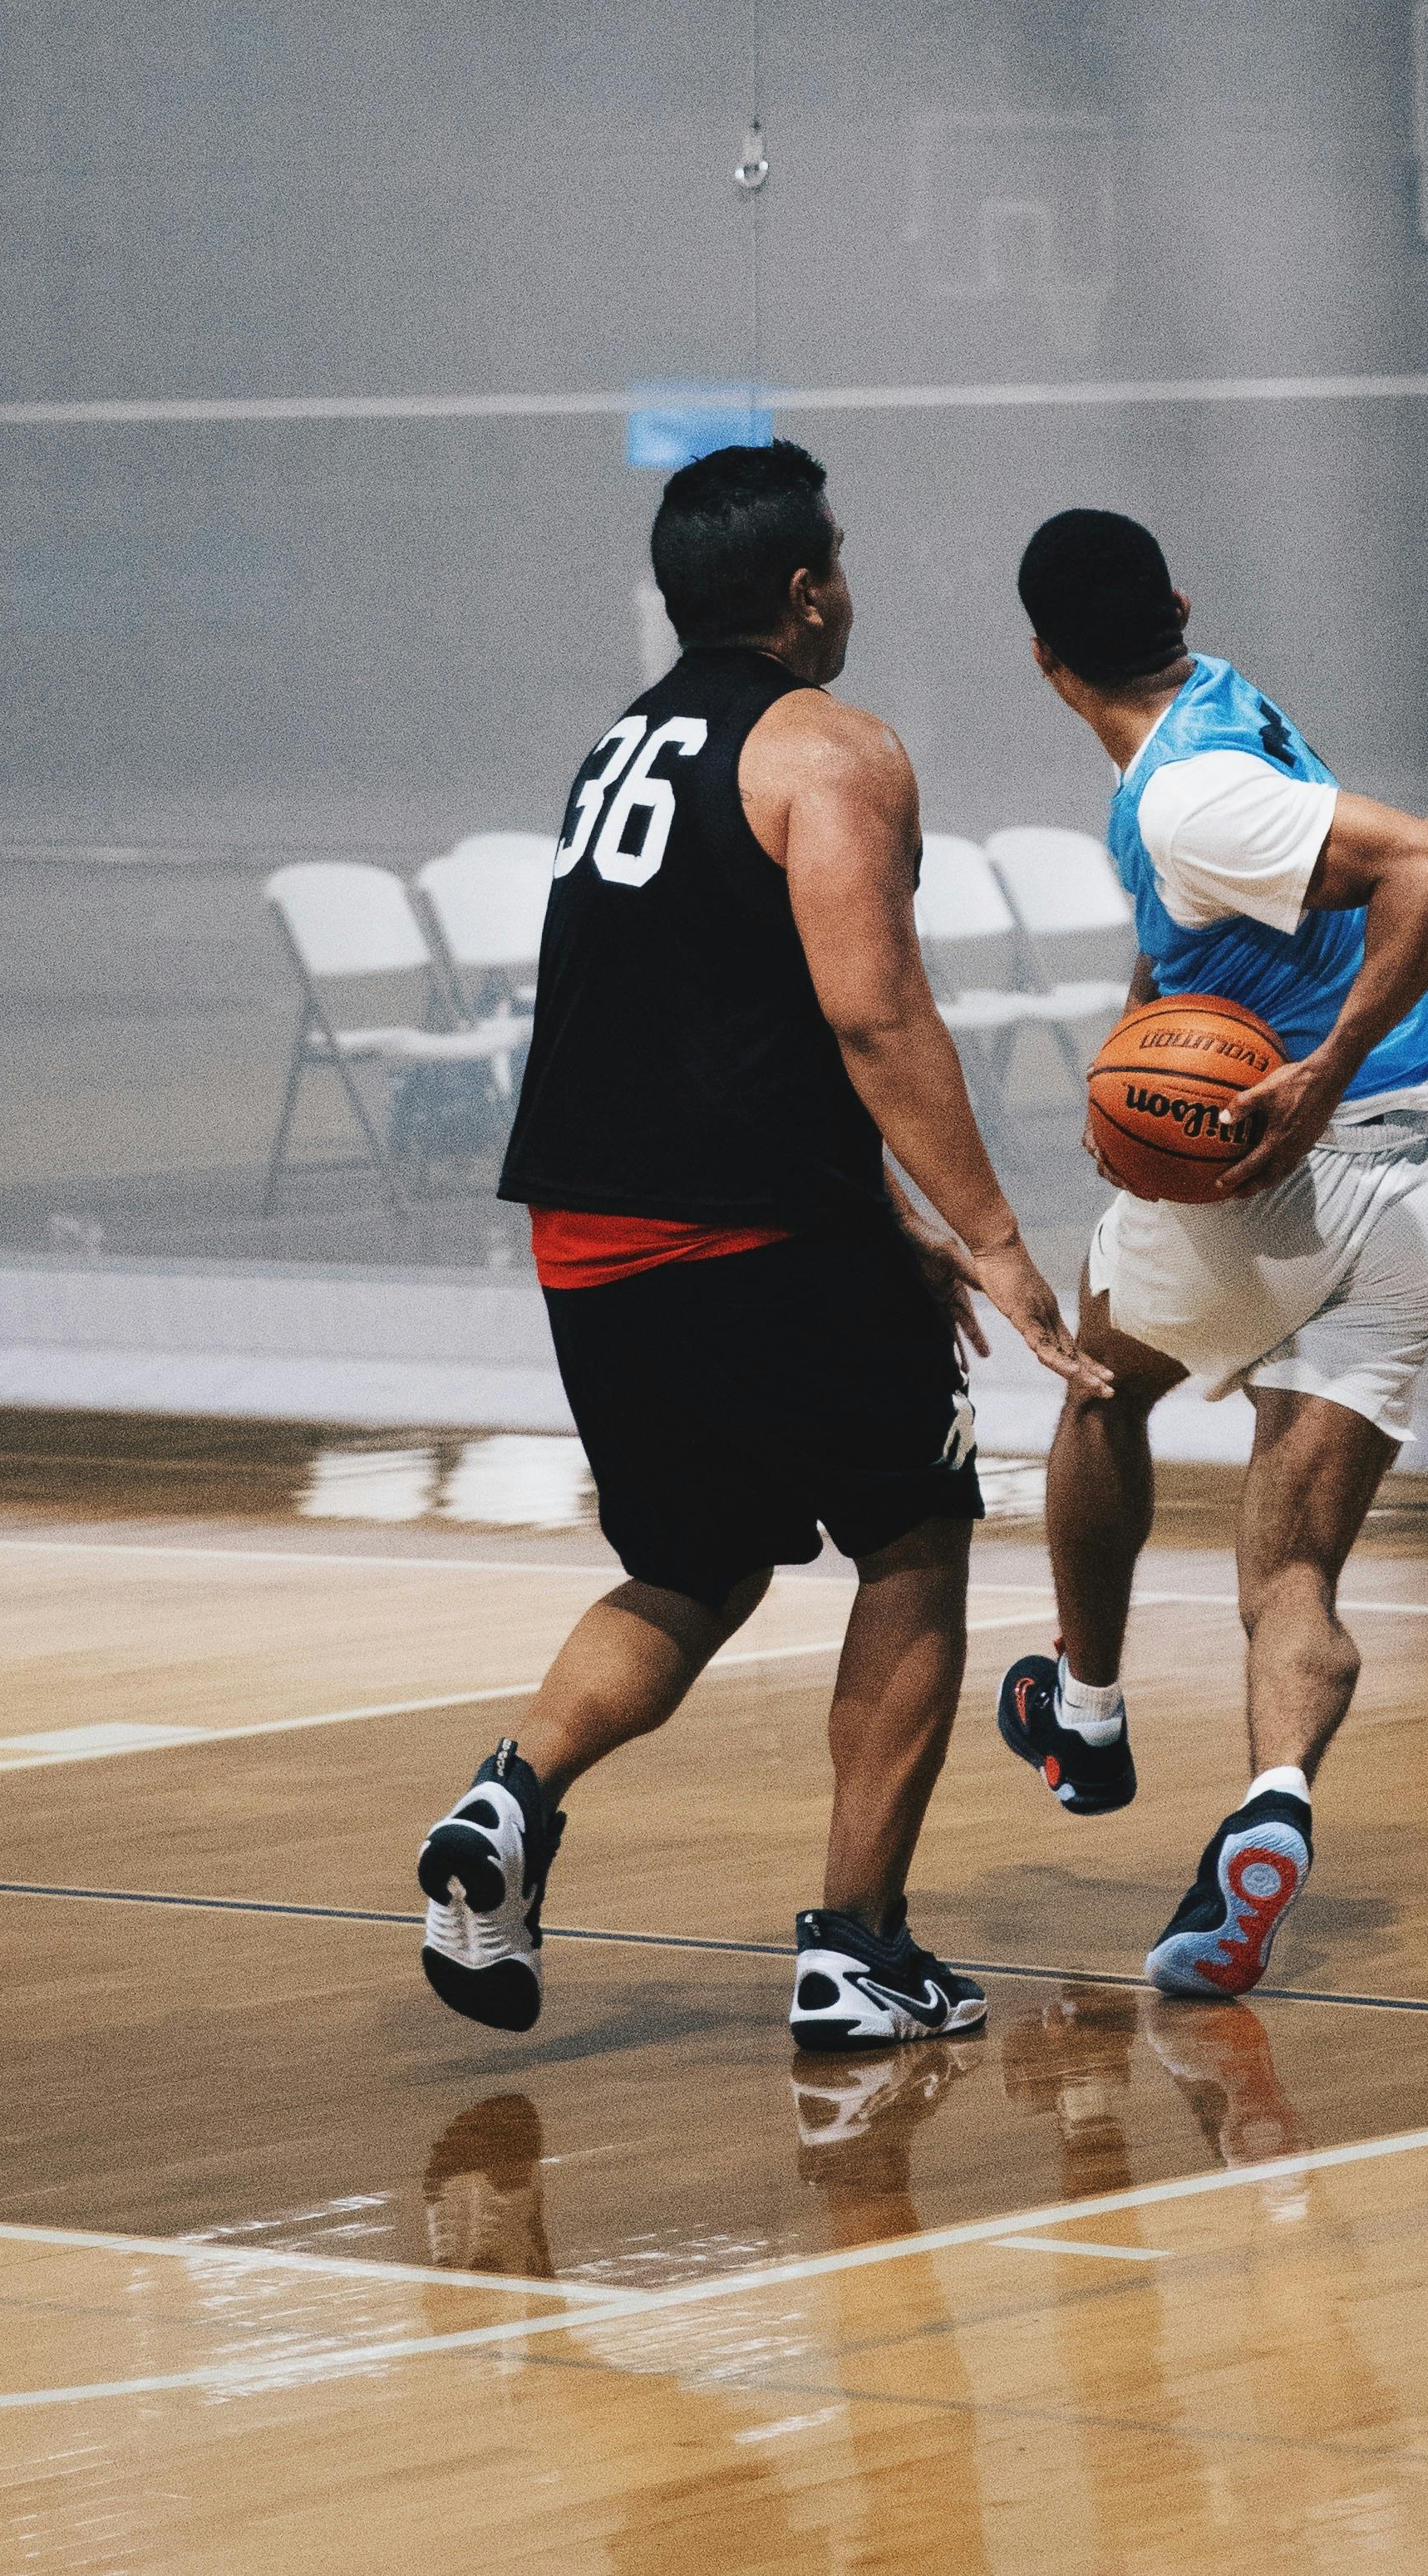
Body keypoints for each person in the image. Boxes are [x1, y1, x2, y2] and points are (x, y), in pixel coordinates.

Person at [412, 442, 1094, 2048]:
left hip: (590, 1239)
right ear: (805, 590)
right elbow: (870, 1013)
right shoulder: (830, 748)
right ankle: (859, 1948)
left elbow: (705, 1029)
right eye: (837, 561)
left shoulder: (617, 752)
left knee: (693, 1564)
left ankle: (509, 1801)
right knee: (914, 1534)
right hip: (753, 1237)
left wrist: (879, 1217)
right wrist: (995, 1238)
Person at [992, 509, 1428, 1998]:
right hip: (1414, 1194)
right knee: (1291, 1574)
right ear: (1179, 603)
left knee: (1095, 1383)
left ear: (1044, 660)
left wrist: (1318, 1072)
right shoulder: (1220, 709)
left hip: (1273, 1172)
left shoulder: (1185, 792)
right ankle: (1272, 1804)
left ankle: (1084, 1712)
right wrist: (1130, 1040)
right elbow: (1200, 925)